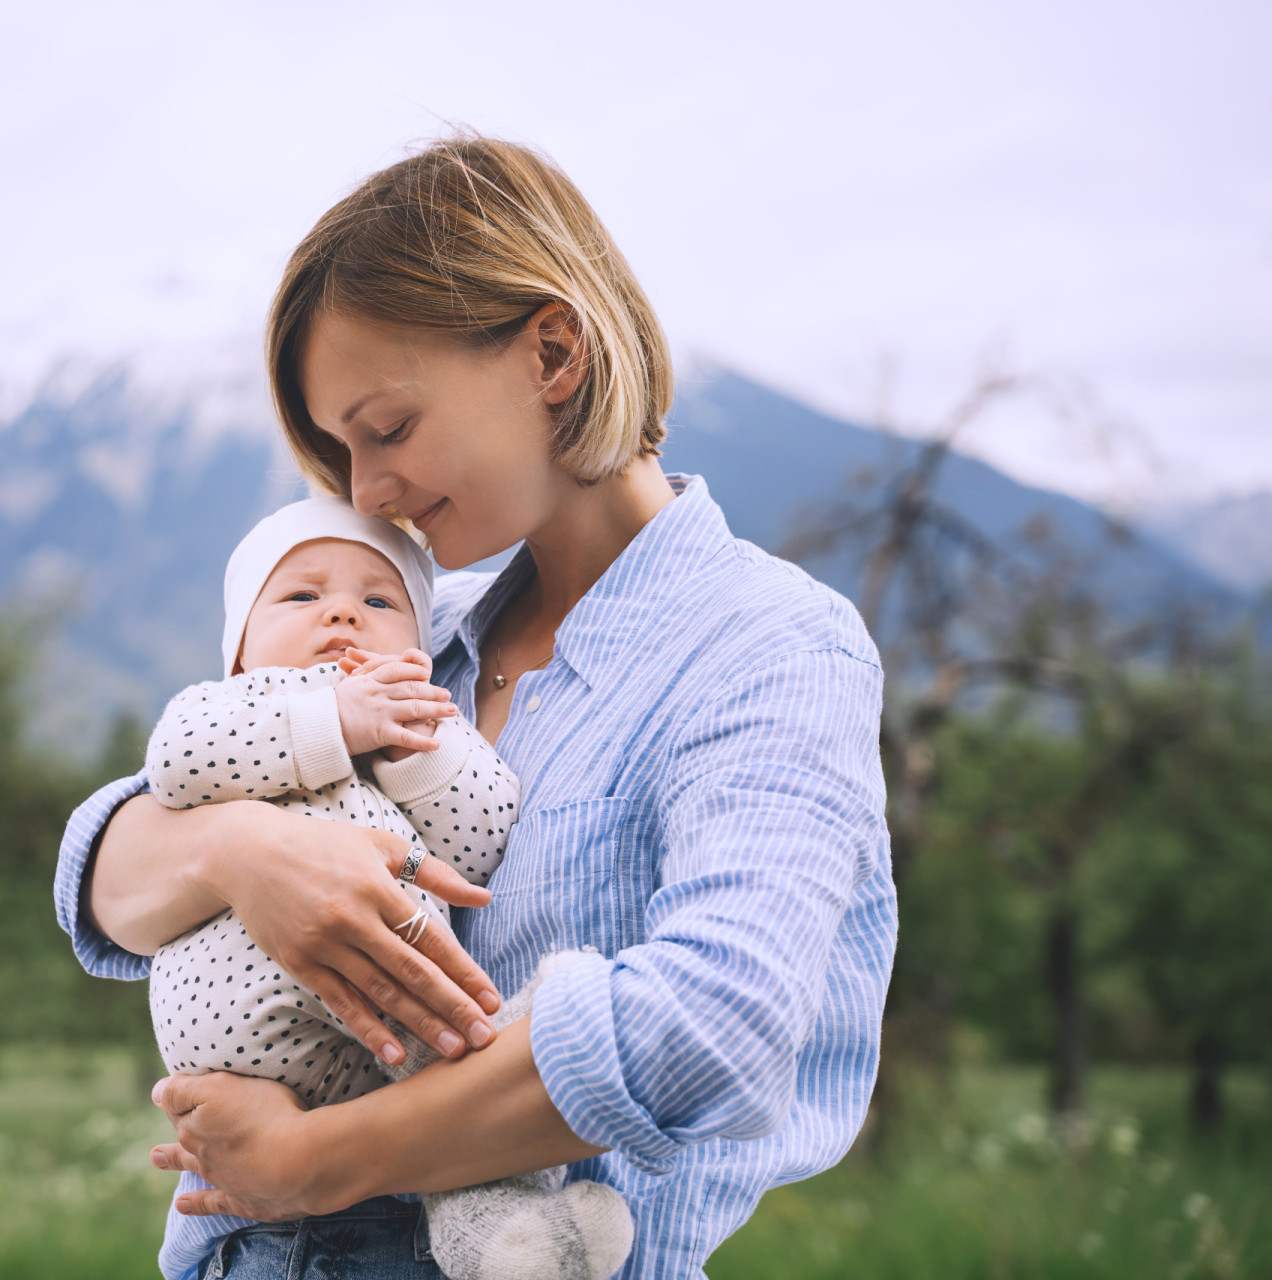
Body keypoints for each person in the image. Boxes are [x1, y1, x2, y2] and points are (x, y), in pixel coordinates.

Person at [53, 134, 896, 1280]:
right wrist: (244, 852)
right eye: (342, 450)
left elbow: (715, 1023)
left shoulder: (765, 645)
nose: (366, 492)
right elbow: (105, 870)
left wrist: (315, 1160)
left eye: (389, 428)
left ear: (552, 353)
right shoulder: (402, 628)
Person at [142, 494, 632, 1280]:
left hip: (386, 1040)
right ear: (239, 648)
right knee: (456, 1039)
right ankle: (533, 1047)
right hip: (248, 1015)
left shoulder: (426, 721)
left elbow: (480, 844)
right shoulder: (236, 703)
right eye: (302, 595)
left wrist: (414, 748)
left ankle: (517, 1240)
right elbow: (177, 763)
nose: (342, 614)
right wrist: (333, 719)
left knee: (453, 1092)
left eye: (378, 602)